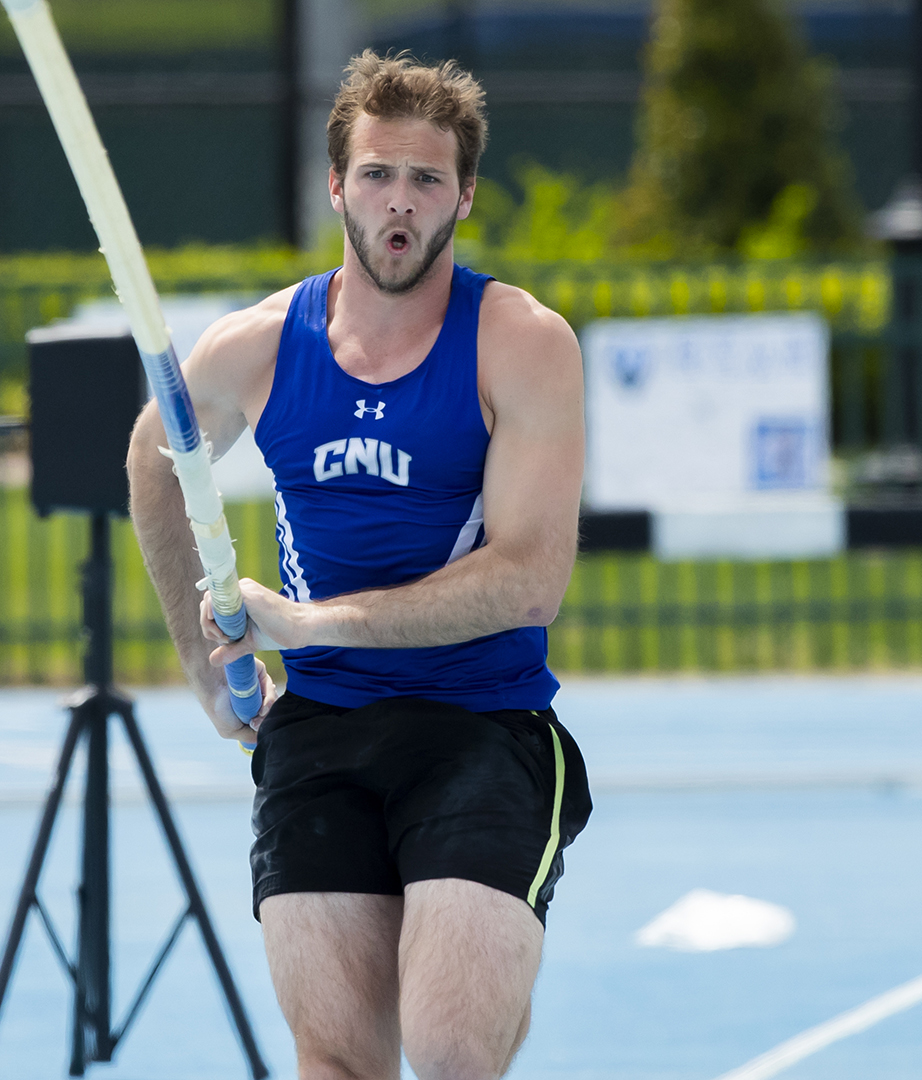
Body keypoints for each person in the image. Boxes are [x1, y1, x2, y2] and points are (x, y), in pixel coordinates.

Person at [127, 52, 590, 1080]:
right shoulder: (256, 345)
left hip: (484, 727)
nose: (399, 203)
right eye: (377, 174)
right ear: (334, 185)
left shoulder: (518, 342)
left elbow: (527, 581)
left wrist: (305, 624)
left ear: (463, 195)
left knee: (451, 1048)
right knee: (337, 1060)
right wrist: (205, 670)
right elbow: (152, 459)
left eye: (427, 180)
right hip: (322, 735)